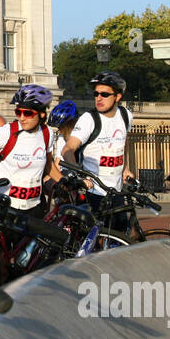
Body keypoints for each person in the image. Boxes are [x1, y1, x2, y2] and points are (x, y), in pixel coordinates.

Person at [59, 72, 135, 233]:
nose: (99, 98)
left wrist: (126, 168)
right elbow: (68, 149)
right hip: (94, 191)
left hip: (116, 190)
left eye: (104, 94)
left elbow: (124, 141)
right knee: (92, 240)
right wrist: (80, 176)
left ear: (118, 96)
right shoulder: (89, 119)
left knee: (119, 239)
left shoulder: (125, 115)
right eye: (96, 94)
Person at [0, 84, 58, 213]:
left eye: (28, 113)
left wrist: (64, 182)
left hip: (34, 206)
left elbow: (49, 164)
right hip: (5, 206)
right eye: (18, 112)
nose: (22, 117)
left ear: (42, 114)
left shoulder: (48, 133)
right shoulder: (7, 132)